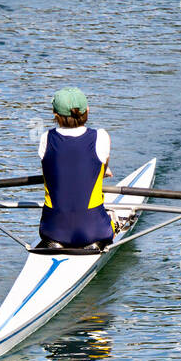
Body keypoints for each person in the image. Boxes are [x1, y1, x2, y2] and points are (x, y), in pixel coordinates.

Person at [36, 87, 114, 249]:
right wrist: (102, 171)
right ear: (87, 111)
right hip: (94, 231)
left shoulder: (46, 138)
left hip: (52, 230)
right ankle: (96, 241)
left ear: (55, 115)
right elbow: (100, 165)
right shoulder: (101, 136)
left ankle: (56, 242)